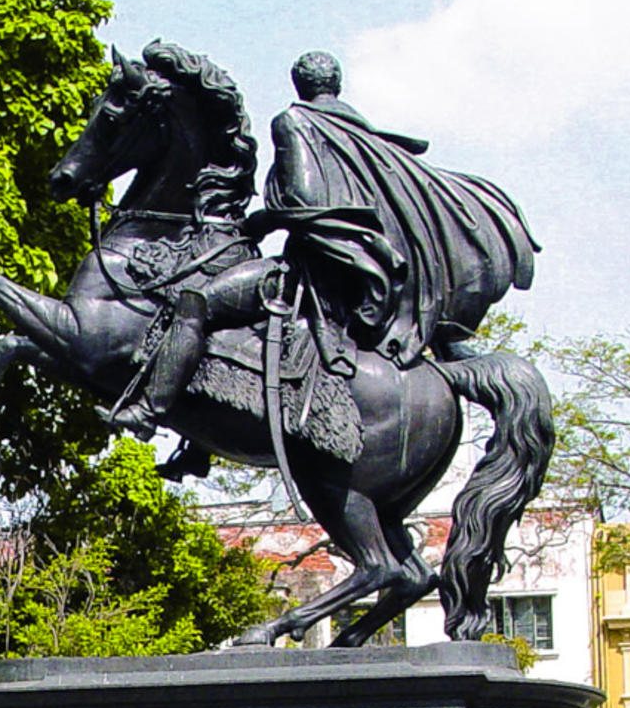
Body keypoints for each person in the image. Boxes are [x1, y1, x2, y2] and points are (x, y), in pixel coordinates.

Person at [127, 49, 537, 428]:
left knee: (195, 303)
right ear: (335, 85)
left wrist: (263, 221)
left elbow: (304, 198)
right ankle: (198, 442)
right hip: (359, 276)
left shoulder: (295, 121)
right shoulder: (367, 135)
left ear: (298, 84)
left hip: (313, 272)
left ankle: (151, 411)